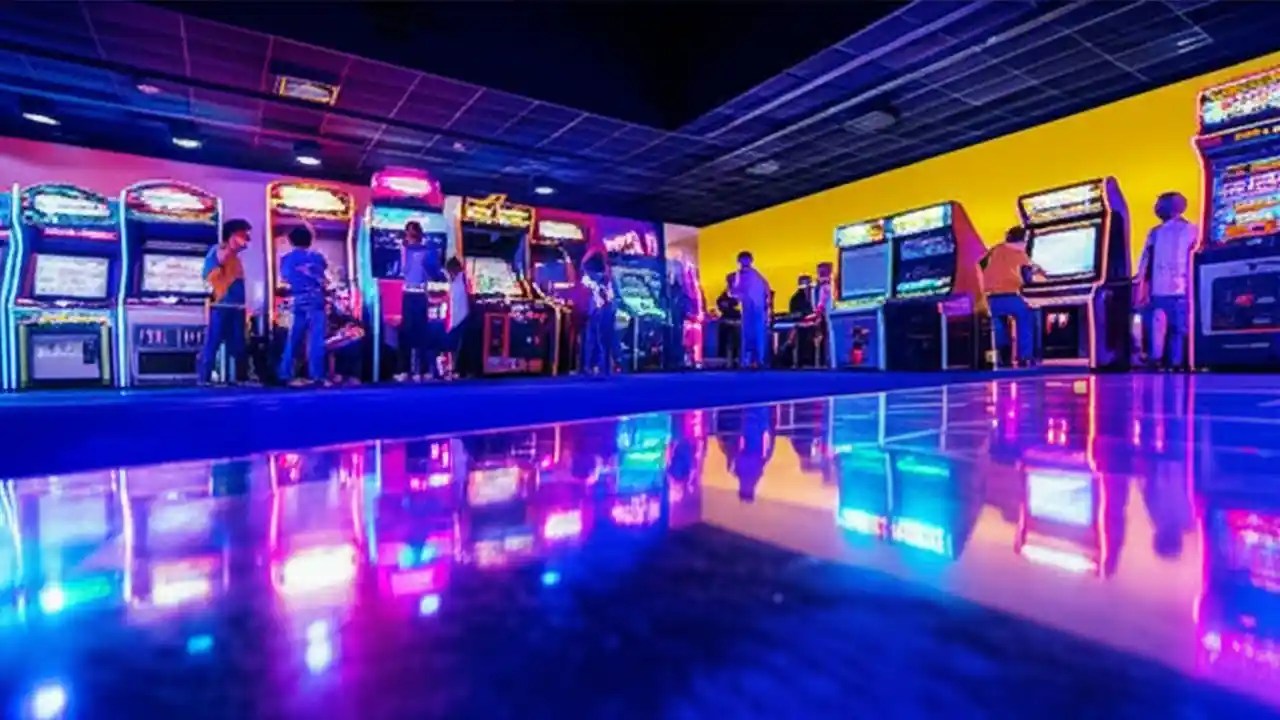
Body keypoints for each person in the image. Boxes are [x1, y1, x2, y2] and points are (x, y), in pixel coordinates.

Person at [1135, 192, 1197, 371]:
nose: (1156, 208)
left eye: (1159, 205)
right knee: (1173, 328)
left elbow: (1145, 263)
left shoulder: (1183, 230)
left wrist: (1142, 287)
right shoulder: (1188, 230)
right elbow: (1146, 262)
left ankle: (1167, 362)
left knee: (1169, 328)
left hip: (1170, 288)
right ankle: (1170, 362)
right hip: (1174, 289)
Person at [197, 218, 252, 385]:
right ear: (232, 235)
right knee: (213, 342)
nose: (247, 239)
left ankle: (242, 378)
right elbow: (212, 272)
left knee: (239, 343)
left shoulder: (235, 257)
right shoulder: (219, 250)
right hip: (221, 305)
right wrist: (231, 245)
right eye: (243, 234)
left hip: (236, 306)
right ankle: (203, 378)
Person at [981, 226, 1044, 368]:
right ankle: (1026, 357)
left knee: (997, 324)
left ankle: (1001, 358)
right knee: (1028, 315)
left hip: (990, 298)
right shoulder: (1020, 253)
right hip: (1012, 295)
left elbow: (982, 267)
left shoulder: (995, 250)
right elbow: (1028, 277)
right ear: (1023, 239)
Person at [277, 225, 329, 386]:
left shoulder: (286, 259)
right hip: (316, 300)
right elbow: (324, 274)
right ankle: (317, 376)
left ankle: (286, 374)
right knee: (316, 340)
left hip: (297, 300)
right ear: (310, 240)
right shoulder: (317, 257)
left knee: (293, 339)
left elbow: (285, 279)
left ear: (291, 241)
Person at [397, 221, 445, 381]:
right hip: (408, 293)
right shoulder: (404, 250)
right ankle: (406, 370)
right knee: (405, 332)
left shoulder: (427, 251)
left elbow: (435, 273)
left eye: (412, 234)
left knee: (420, 333)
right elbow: (402, 270)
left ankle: (422, 371)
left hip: (419, 294)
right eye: (408, 233)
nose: (409, 237)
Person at [729, 251, 771, 369]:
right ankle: (749, 360)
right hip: (748, 310)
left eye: (747, 259)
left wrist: (767, 306)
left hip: (758, 310)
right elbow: (733, 292)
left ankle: (759, 360)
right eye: (743, 260)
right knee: (748, 335)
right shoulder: (739, 275)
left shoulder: (756, 275)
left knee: (758, 335)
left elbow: (767, 290)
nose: (745, 262)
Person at [580, 249, 616, 376]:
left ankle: (592, 367)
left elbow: (582, 266)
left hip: (597, 311)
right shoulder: (607, 278)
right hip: (605, 311)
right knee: (604, 340)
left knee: (594, 340)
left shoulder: (590, 278)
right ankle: (604, 368)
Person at [444, 256, 469, 380]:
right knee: (455, 345)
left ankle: (457, 369)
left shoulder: (461, 280)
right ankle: (454, 368)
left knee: (459, 346)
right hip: (457, 318)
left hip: (461, 318)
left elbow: (459, 303)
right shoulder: (455, 281)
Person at [715, 279, 742, 367]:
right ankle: (729, 361)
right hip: (728, 322)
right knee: (729, 341)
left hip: (737, 321)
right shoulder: (724, 297)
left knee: (737, 341)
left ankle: (737, 359)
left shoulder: (738, 294)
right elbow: (721, 305)